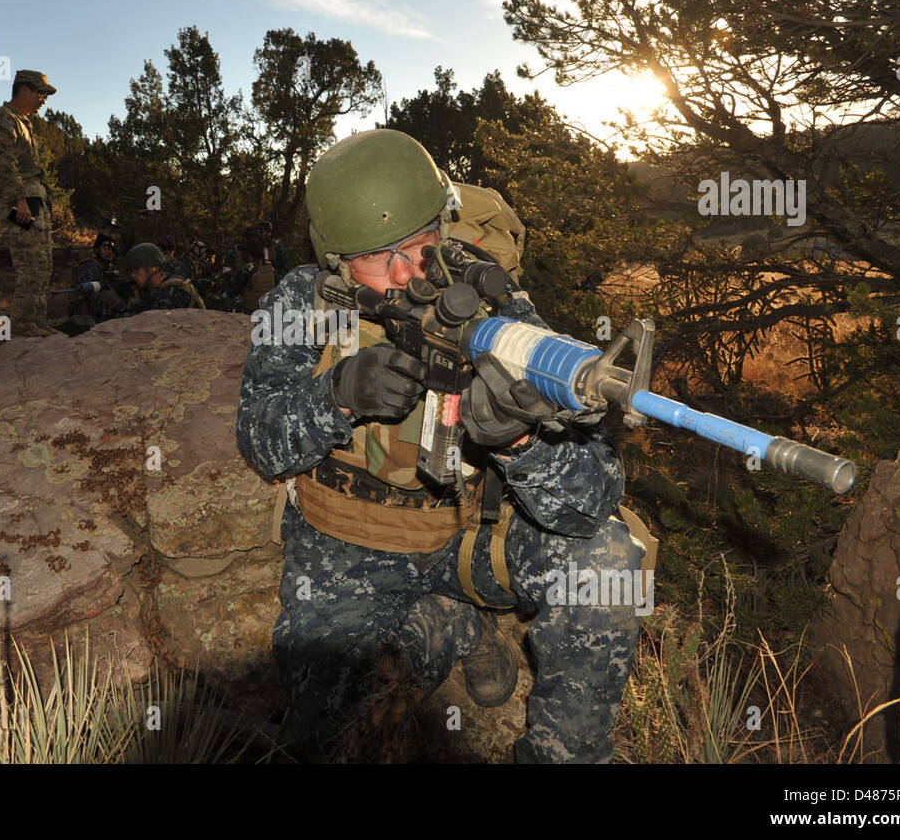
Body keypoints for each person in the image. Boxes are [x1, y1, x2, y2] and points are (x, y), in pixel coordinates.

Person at [235, 128, 644, 763]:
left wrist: (520, 441)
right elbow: (260, 440)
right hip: (349, 547)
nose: (405, 274)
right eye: (377, 256)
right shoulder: (300, 302)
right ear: (335, 260)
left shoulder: (492, 301)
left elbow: (590, 501)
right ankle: (452, 624)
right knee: (334, 735)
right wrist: (336, 395)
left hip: (467, 537)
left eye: (420, 244)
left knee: (609, 559)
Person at [0, 69, 58, 337]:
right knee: (31, 265)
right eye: (41, 93)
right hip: (20, 205)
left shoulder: (24, 122)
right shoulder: (3, 120)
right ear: (23, 90)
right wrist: (20, 200)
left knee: (44, 263)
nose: (43, 100)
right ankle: (24, 326)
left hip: (34, 202)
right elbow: (3, 165)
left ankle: (36, 321)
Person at [115, 242, 205, 316]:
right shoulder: (157, 289)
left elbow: (148, 324)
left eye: (135, 271)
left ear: (151, 268)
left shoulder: (173, 290)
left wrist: (117, 304)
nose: (132, 276)